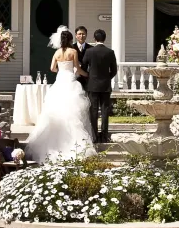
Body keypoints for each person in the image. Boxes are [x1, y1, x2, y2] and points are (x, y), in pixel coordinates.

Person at [26, 26, 95, 162]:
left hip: (60, 80)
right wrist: (87, 74)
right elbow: (77, 68)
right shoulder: (73, 51)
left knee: (57, 108)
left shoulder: (57, 53)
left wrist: (61, 70)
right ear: (70, 39)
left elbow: (52, 68)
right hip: (69, 79)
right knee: (72, 110)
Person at [80, 28, 117, 144]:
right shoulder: (110, 52)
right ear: (104, 38)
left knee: (93, 111)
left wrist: (89, 78)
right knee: (105, 111)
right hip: (105, 85)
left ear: (94, 38)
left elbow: (84, 68)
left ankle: (95, 136)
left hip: (92, 85)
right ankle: (104, 136)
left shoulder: (89, 52)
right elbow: (114, 70)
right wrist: (107, 78)